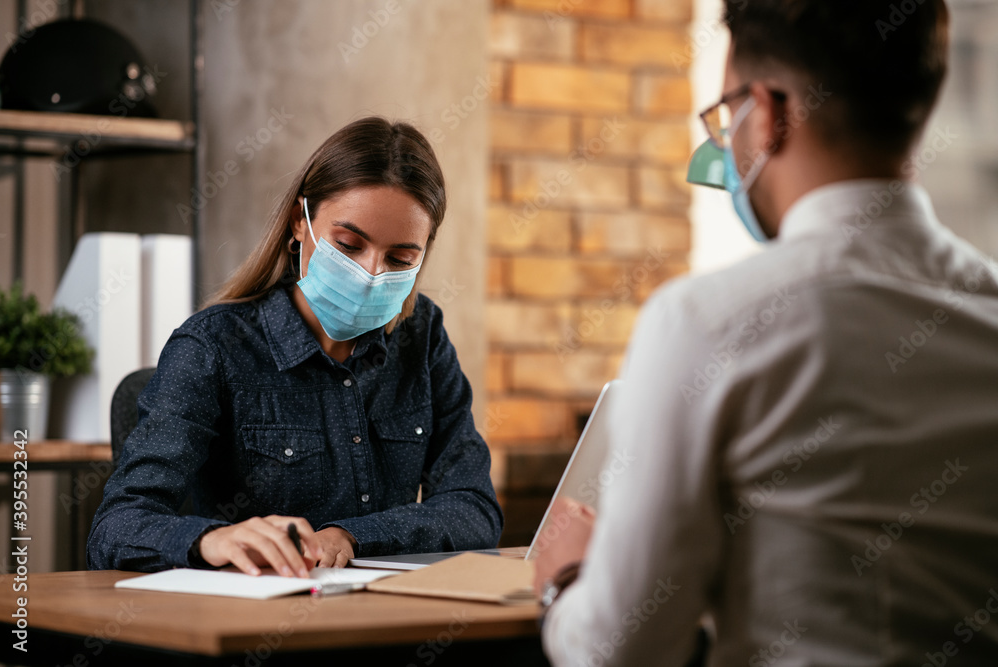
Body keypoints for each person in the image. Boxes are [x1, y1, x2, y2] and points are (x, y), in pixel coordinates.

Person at [534, 1, 998, 664]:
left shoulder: (703, 321)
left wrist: (568, 577)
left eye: (727, 114)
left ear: (768, 112)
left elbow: (620, 649)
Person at [88, 117, 503, 577]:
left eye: (400, 258)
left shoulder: (422, 334)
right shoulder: (211, 346)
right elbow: (116, 527)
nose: (371, 273)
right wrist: (212, 540)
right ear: (299, 222)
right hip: (255, 612)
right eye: (349, 244)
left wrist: (351, 536)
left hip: (385, 609)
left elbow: (474, 509)